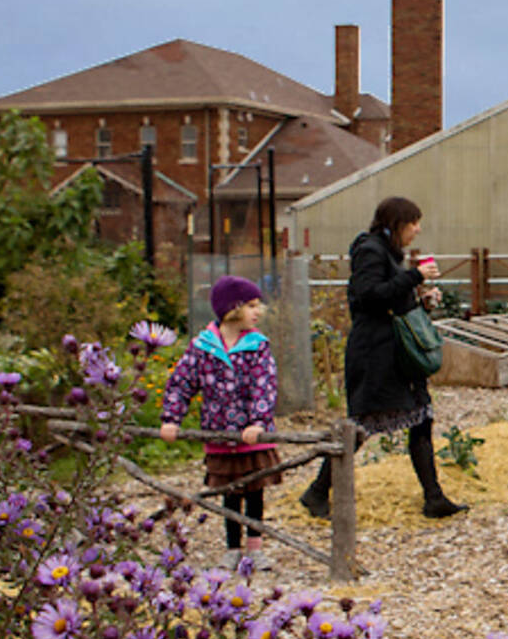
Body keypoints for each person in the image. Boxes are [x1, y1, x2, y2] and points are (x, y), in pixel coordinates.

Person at [298, 195, 469, 520]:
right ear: (396, 224)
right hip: (375, 356)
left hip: (394, 355)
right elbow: (369, 296)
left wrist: (420, 297)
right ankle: (316, 492)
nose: (418, 230)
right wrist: (415, 277)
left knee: (421, 417)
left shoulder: (388, 253)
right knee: (361, 426)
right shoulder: (370, 251)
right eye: (413, 223)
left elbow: (390, 296)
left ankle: (434, 497)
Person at [159, 275, 283, 571]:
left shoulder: (257, 346)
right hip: (219, 434)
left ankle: (255, 546)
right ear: (232, 308)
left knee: (254, 490)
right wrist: (171, 418)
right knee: (229, 491)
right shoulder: (203, 347)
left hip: (251, 435)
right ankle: (232, 547)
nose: (257, 311)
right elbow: (181, 383)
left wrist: (258, 421)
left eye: (258, 305)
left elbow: (264, 385)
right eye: (251, 305)